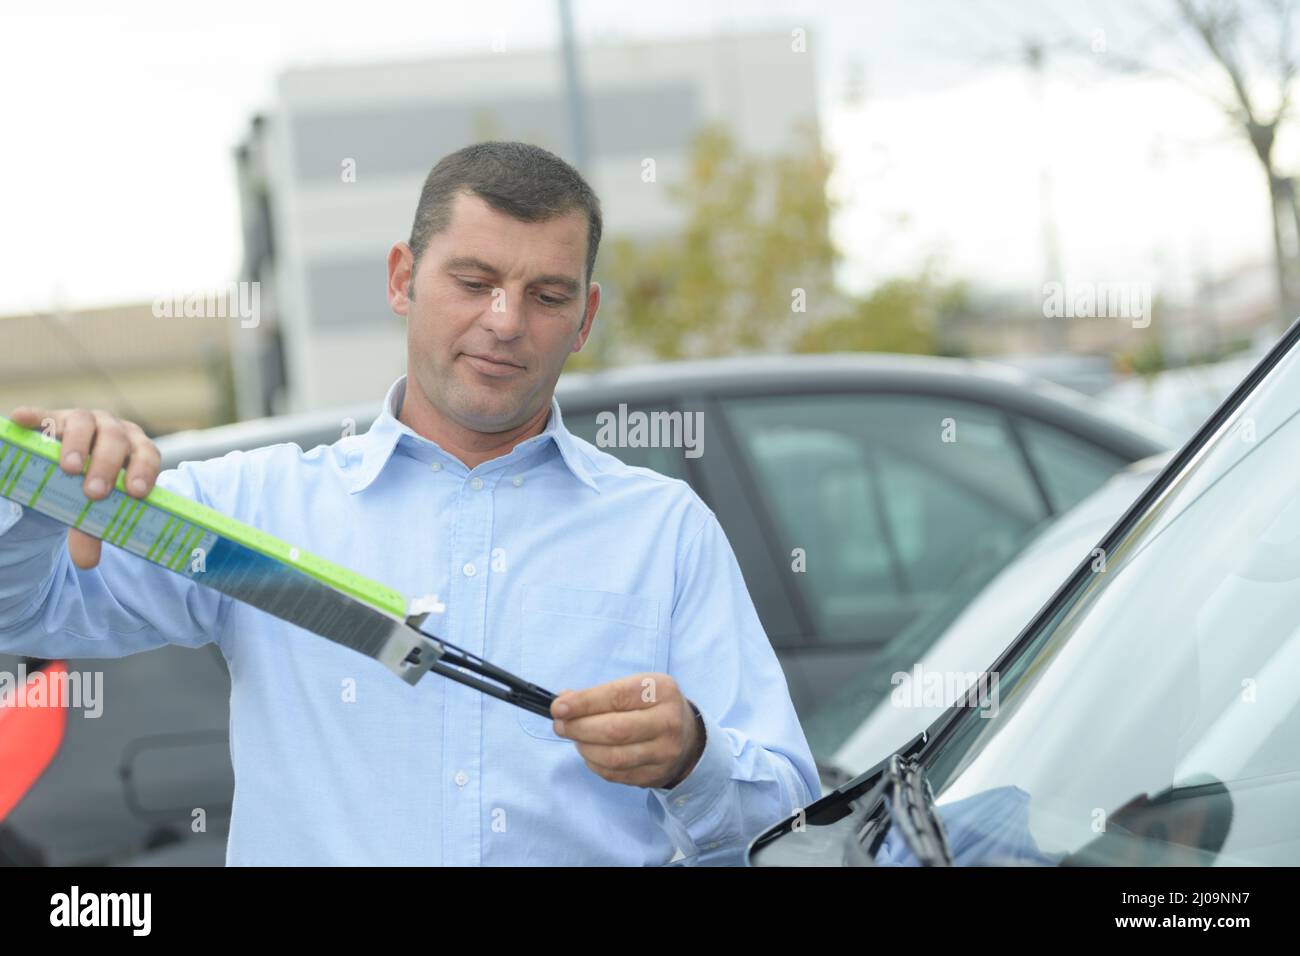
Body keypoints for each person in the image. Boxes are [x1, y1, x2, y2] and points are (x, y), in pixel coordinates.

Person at [0, 141, 819, 865]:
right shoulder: (255, 507)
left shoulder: (664, 533)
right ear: (402, 278)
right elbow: (24, 613)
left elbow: (792, 826)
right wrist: (40, 488)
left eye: (547, 295)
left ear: (585, 318)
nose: (505, 322)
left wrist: (693, 758)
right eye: (474, 281)